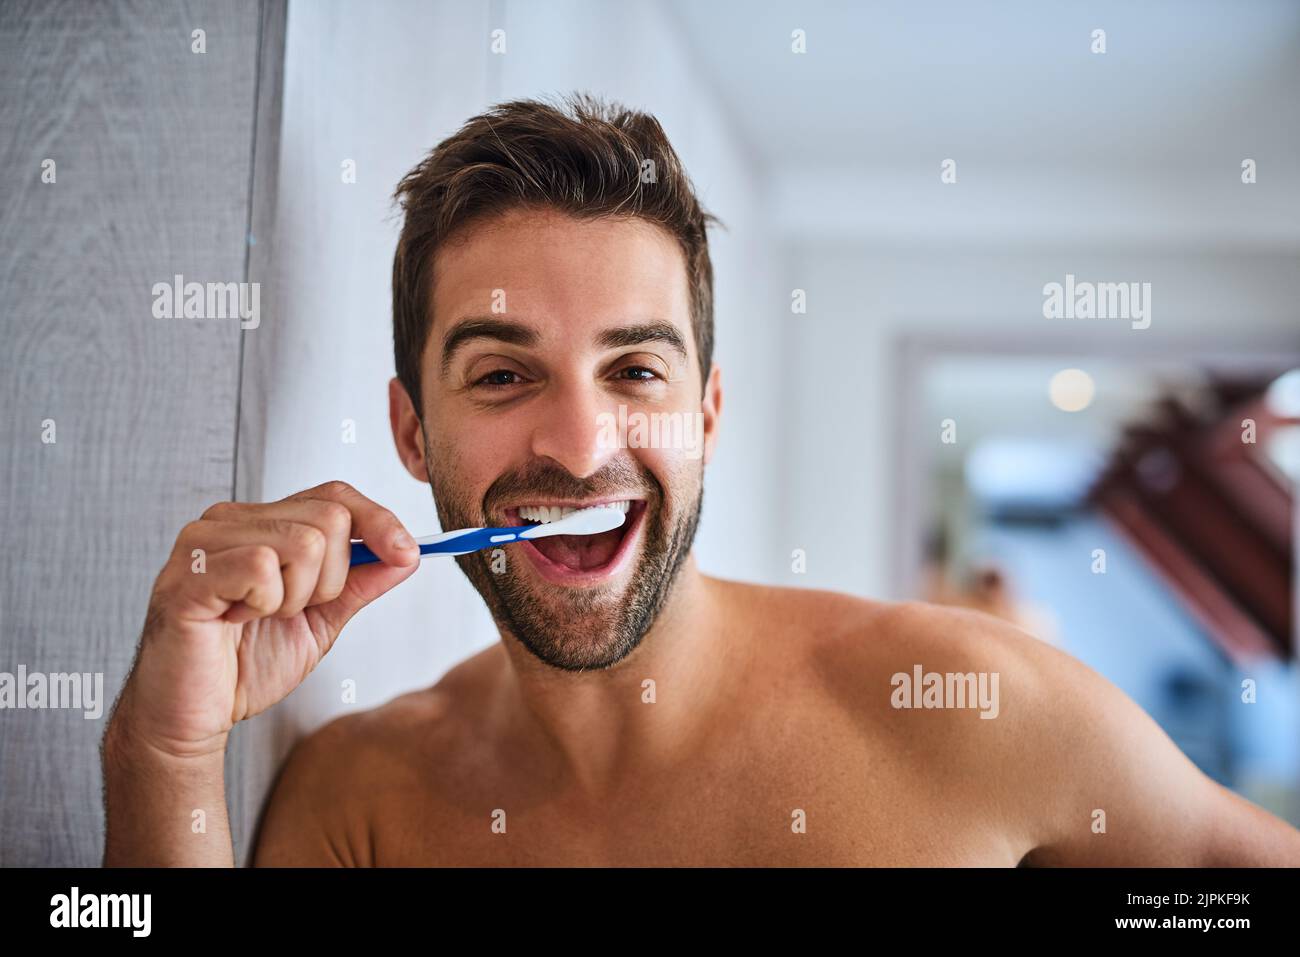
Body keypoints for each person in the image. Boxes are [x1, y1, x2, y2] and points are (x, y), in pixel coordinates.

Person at [101, 94, 1300, 866]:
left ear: (707, 416)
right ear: (413, 436)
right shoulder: (355, 806)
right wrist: (162, 751)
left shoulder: (976, 709)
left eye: (634, 368)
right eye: (504, 376)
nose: (578, 447)